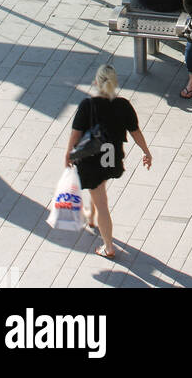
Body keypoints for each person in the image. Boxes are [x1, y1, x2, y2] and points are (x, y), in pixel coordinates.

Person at [64, 64, 152, 260]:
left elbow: (76, 134)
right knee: (99, 190)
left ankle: (108, 246)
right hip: (111, 160)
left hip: (90, 162)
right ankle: (92, 217)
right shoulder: (123, 105)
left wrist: (68, 154)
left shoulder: (87, 105)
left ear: (96, 82)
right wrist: (146, 151)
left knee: (101, 201)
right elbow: (135, 132)